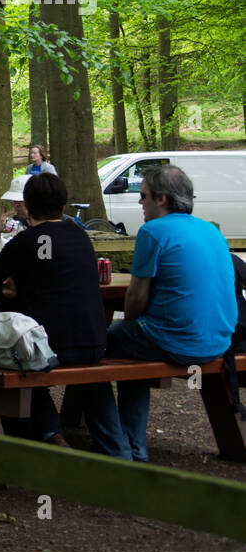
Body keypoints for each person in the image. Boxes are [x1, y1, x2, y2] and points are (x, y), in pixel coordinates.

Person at [93, 165, 236, 461]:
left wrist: (131, 323)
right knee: (130, 352)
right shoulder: (210, 230)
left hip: (176, 341)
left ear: (162, 199)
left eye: (143, 196)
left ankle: (121, 449)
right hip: (219, 340)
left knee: (89, 350)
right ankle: (133, 445)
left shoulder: (153, 231)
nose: (139, 202)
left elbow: (135, 299)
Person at [0, 174, 125, 451]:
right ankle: (117, 449)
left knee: (14, 353)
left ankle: (49, 434)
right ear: (64, 204)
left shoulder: (27, 240)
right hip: (95, 343)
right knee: (91, 375)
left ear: (28, 205)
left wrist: (15, 291)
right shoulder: (80, 236)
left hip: (50, 347)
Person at [0, 175, 30, 259]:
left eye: (21, 200)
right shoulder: (16, 222)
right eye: (14, 200)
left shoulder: (51, 223)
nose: (16, 205)